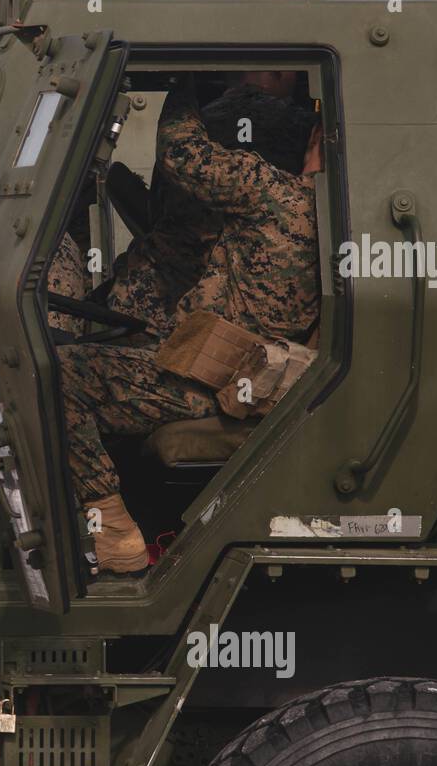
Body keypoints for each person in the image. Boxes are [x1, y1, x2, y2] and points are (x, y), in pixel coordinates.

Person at [62, 77, 324, 575]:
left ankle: (114, 536)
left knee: (57, 375)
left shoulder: (274, 194)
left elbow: (182, 154)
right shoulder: (333, 217)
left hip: (215, 381)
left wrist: (190, 82)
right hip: (251, 378)